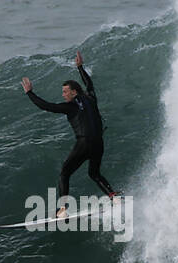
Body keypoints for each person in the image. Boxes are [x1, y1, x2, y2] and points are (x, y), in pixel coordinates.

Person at [20, 51, 119, 217]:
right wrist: (80, 67)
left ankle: (63, 210)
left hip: (84, 143)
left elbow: (46, 106)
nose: (63, 94)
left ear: (74, 92)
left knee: (65, 173)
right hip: (98, 143)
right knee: (94, 173)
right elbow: (89, 84)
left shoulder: (71, 106)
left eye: (65, 91)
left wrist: (30, 93)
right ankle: (113, 197)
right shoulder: (91, 98)